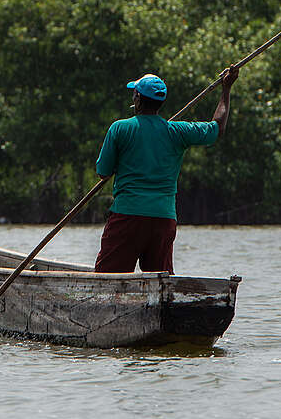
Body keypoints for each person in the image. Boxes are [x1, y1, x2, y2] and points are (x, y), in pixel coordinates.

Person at [93, 66, 238, 273]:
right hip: (163, 218)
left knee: (108, 277)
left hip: (128, 216)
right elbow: (217, 128)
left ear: (137, 99)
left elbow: (103, 172)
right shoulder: (177, 131)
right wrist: (226, 90)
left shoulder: (120, 128)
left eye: (134, 94)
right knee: (160, 280)